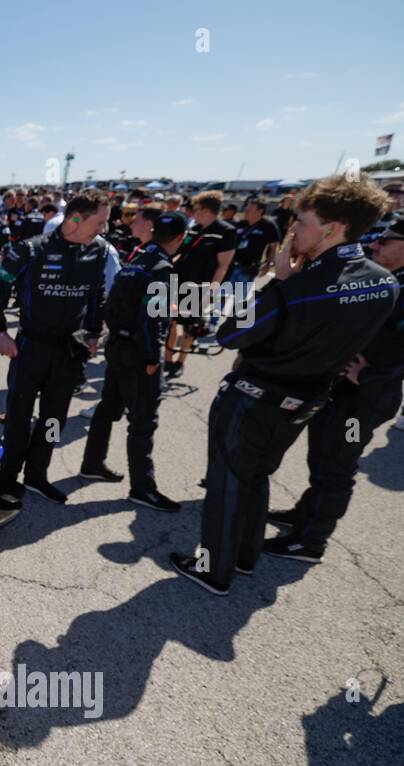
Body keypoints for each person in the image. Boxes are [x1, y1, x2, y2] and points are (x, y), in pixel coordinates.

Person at [171, 176, 400, 594]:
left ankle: (212, 569)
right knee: (258, 477)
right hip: (308, 401)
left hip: (253, 398)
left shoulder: (296, 287)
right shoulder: (384, 283)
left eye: (303, 224)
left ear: (331, 229)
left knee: (227, 481)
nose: (294, 232)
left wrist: (278, 282)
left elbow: (229, 334)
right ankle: (244, 556)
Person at [264, 216, 404, 562]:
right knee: (322, 456)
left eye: (386, 241)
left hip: (367, 398)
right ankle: (305, 515)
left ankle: (312, 541)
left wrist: (370, 376)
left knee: (338, 466)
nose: (375, 244)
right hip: (344, 389)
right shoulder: (388, 279)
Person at [0, 188, 111, 505]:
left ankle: (37, 475)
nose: (103, 229)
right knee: (18, 419)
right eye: (100, 222)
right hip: (30, 350)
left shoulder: (98, 252)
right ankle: (6, 479)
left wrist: (93, 334)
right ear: (75, 219)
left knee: (54, 421)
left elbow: (96, 297)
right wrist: (0, 332)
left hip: (69, 353)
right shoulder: (30, 250)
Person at [79, 211, 188, 510]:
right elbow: (154, 317)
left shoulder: (135, 261)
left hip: (118, 347)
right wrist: (153, 356)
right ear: (180, 238)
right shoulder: (163, 269)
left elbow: (110, 304)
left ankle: (92, 463)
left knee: (108, 408)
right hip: (140, 354)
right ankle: (143, 488)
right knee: (143, 422)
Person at [163, 190, 236, 378]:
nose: (192, 212)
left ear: (205, 210)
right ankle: (168, 359)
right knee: (170, 322)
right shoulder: (194, 229)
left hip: (199, 287)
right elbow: (180, 252)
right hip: (178, 282)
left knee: (189, 327)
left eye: (195, 209)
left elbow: (223, 267)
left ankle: (180, 362)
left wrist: (210, 293)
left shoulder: (225, 232)